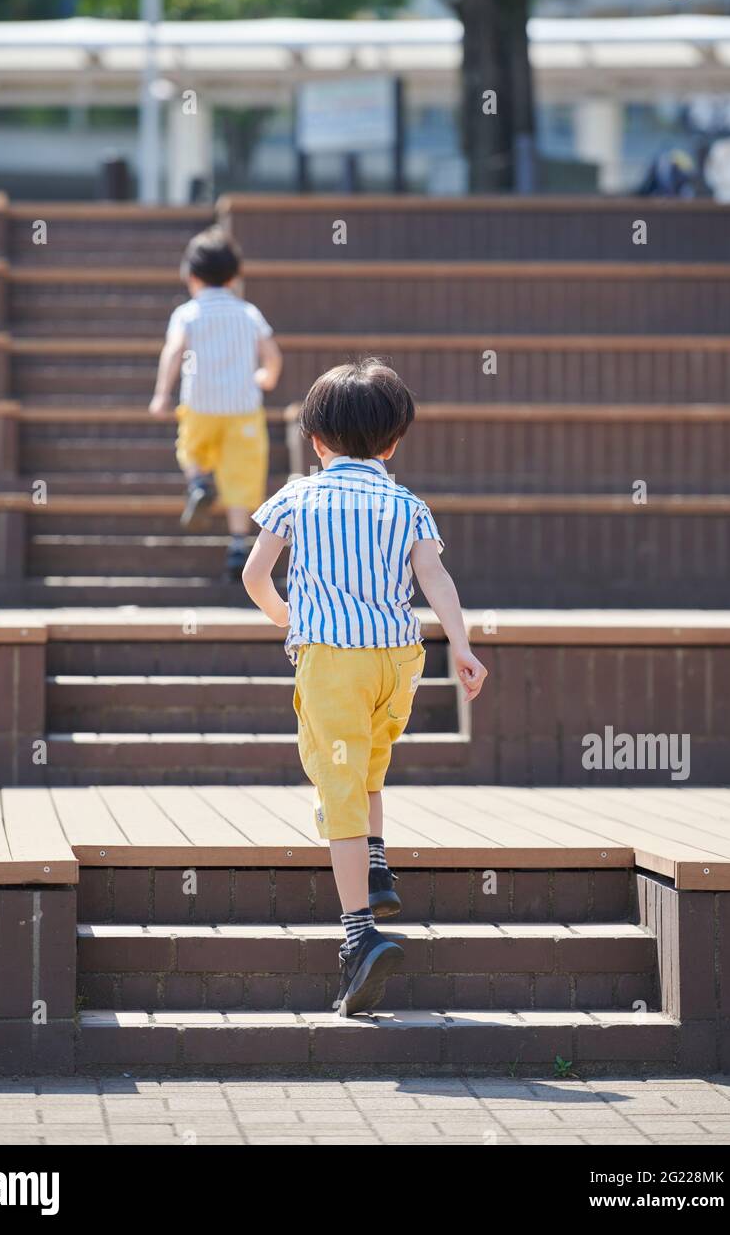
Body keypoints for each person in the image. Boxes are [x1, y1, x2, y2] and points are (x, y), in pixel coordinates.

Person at [243, 359, 487, 1016]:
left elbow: (255, 574)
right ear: (393, 441)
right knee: (371, 763)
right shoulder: (406, 504)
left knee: (338, 789)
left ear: (315, 441)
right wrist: (460, 645)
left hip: (333, 661)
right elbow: (436, 580)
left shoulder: (297, 496)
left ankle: (360, 937)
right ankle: (376, 864)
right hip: (399, 661)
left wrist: (288, 620)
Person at [149, 225, 283, 581]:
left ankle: (199, 485)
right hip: (243, 409)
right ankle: (239, 544)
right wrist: (266, 377)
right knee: (240, 474)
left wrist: (162, 394)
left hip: (200, 404)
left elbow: (174, 351)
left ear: (191, 277)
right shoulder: (248, 313)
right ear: (235, 277)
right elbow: (272, 355)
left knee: (191, 450)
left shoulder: (188, 314)